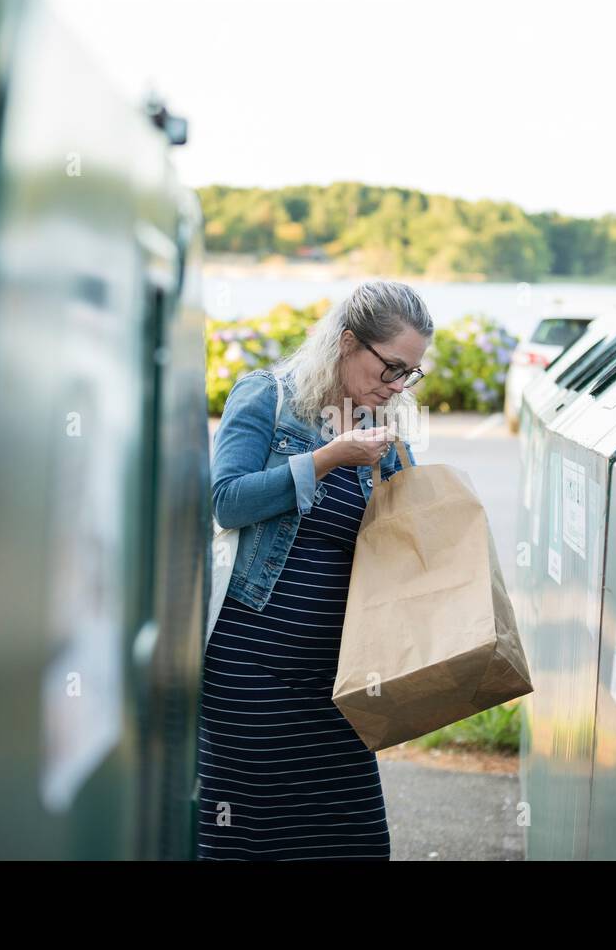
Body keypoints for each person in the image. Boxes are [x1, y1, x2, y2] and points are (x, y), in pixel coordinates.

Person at [197, 280, 433, 860]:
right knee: (243, 836)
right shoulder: (267, 397)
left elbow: (394, 548)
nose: (397, 386)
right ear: (347, 342)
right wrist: (327, 458)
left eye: (409, 375)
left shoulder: (386, 437)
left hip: (338, 680)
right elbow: (226, 499)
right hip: (251, 670)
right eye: (390, 368)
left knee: (348, 840)